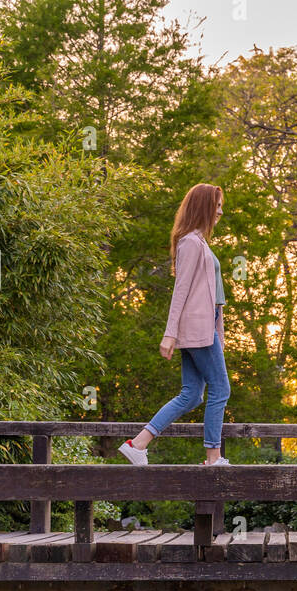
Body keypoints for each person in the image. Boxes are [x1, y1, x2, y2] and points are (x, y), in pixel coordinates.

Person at [119, 183, 231, 466]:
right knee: (220, 388)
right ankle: (213, 457)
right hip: (196, 329)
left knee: (192, 394)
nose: (220, 212)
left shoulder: (200, 242)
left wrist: (220, 332)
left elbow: (214, 297)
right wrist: (170, 335)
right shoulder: (191, 243)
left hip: (205, 328)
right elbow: (181, 291)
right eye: (216, 206)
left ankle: (138, 443)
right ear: (203, 206)